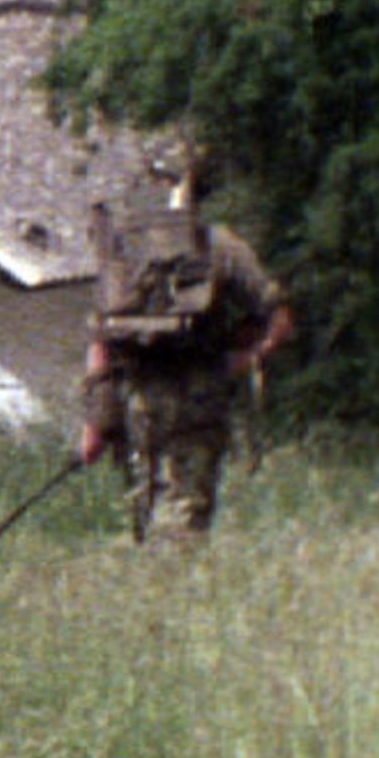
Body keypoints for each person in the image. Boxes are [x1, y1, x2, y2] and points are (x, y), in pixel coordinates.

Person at [79, 157, 294, 545]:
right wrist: (247, 359)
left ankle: (151, 586)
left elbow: (101, 342)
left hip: (138, 400)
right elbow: (280, 318)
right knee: (187, 514)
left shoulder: (125, 256)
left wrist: (95, 424)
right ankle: (172, 586)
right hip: (201, 394)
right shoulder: (221, 245)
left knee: (145, 508)